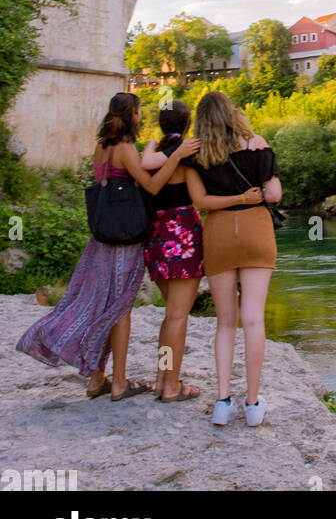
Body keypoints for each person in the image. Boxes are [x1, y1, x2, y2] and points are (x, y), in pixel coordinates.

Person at [16, 92, 199, 400]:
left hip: (101, 238)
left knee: (102, 303)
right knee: (120, 307)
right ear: (132, 116)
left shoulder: (101, 147)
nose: (141, 118)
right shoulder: (126, 149)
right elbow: (152, 186)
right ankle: (119, 382)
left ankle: (97, 378)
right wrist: (178, 156)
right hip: (123, 240)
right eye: (139, 113)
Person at [184, 92, 282, 427]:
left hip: (219, 235)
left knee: (226, 322)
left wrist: (230, 197)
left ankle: (222, 401)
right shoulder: (255, 143)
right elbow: (274, 195)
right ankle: (253, 404)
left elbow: (201, 201)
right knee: (253, 319)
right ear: (231, 113)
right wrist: (249, 192)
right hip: (256, 230)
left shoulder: (196, 155)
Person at [140, 101, 205, 403]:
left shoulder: (152, 156)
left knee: (170, 317)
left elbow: (149, 173)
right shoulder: (186, 158)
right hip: (182, 237)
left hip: (155, 237)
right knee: (178, 317)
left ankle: (161, 378)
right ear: (188, 124)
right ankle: (171, 385)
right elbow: (199, 198)